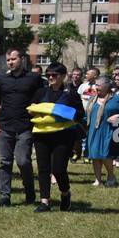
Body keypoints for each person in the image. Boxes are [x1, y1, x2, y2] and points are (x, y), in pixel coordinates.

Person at [0, 47, 45, 207]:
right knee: (5, 162)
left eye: (13, 59)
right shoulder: (1, 79)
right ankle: (5, 196)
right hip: (5, 127)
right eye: (8, 60)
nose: (10, 62)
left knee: (22, 161)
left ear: (22, 59)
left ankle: (29, 191)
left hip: (25, 127)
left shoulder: (34, 78)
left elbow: (41, 100)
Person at [31, 62, 85, 212]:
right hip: (41, 135)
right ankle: (44, 202)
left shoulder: (71, 94)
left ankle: (65, 193)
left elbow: (80, 114)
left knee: (58, 169)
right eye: (48, 74)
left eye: (54, 75)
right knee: (43, 168)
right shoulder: (40, 93)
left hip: (63, 136)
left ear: (63, 76)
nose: (50, 77)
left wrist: (62, 114)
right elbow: (31, 109)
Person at [85, 76, 119, 187]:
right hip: (93, 131)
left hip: (108, 130)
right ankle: (98, 179)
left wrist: (118, 116)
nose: (96, 87)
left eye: (99, 85)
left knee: (105, 154)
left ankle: (111, 176)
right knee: (94, 155)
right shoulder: (92, 99)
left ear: (106, 86)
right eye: (96, 85)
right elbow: (87, 116)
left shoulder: (116, 99)